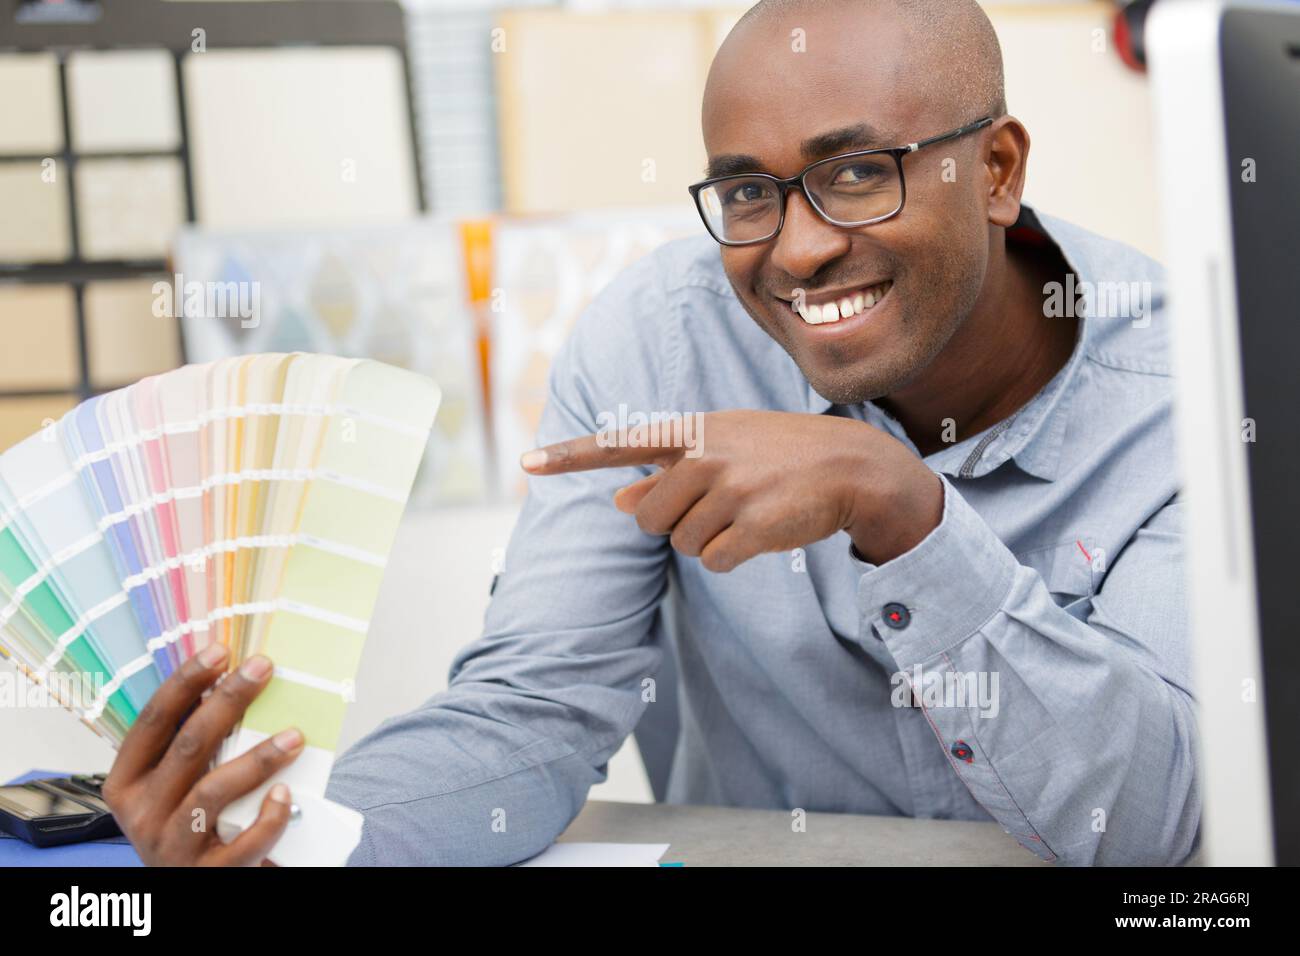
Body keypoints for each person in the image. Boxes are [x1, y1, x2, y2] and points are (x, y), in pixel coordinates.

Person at [102, 0, 1196, 866]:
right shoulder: (658, 343)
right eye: (749, 192)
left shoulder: (1186, 391)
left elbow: (1157, 824)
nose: (799, 247)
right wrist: (291, 836)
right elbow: (536, 709)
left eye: (858, 172)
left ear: (994, 170)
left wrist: (902, 509)